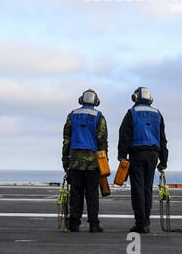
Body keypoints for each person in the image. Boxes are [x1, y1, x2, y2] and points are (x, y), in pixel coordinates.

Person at [118, 86, 168, 233]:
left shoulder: (132, 113)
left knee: (138, 189)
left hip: (137, 154)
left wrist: (122, 156)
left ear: (135, 97)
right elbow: (163, 139)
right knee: (147, 188)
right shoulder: (157, 114)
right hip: (153, 155)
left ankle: (140, 223)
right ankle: (146, 221)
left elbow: (124, 135)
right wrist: (163, 160)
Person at [62, 89, 108, 232]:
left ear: (81, 100)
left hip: (75, 160)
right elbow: (102, 142)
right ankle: (94, 224)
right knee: (92, 193)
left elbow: (66, 141)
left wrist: (65, 160)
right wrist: (104, 162)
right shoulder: (99, 117)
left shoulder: (72, 115)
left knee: (76, 193)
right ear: (96, 101)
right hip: (93, 162)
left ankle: (74, 223)